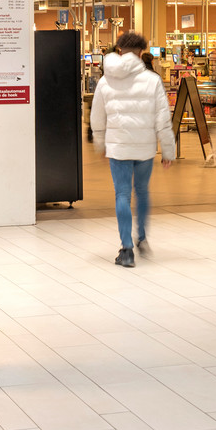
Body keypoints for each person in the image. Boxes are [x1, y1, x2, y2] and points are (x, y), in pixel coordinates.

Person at [90, 31, 175, 268]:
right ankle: (143, 238)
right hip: (145, 148)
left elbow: (97, 116)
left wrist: (100, 142)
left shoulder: (105, 80)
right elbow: (163, 118)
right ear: (141, 54)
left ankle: (126, 250)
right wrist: (168, 150)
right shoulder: (152, 80)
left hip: (118, 148)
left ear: (119, 51)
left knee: (122, 195)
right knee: (142, 192)